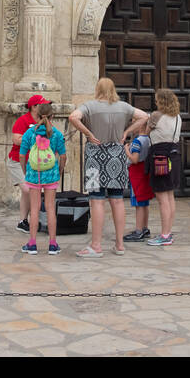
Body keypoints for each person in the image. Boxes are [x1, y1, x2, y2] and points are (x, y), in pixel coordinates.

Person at [68, 78, 147, 258]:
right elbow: (144, 116)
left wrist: (87, 133)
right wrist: (127, 132)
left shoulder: (90, 106)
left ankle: (96, 245)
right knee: (117, 200)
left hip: (95, 157)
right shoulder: (124, 107)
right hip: (117, 157)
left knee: (97, 200)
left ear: (97, 89)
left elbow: (73, 117)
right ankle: (119, 244)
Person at [17, 103, 67, 255]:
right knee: (51, 208)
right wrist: (59, 169)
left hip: (34, 174)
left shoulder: (30, 133)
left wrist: (26, 171)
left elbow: (21, 155)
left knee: (34, 208)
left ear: (36, 116)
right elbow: (63, 156)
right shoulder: (57, 134)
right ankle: (52, 244)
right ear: (52, 116)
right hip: (51, 174)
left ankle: (32, 244)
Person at [143, 87, 183, 247]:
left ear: (162, 101)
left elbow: (146, 133)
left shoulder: (156, 115)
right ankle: (168, 231)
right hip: (174, 156)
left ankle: (165, 235)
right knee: (169, 196)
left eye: (157, 99)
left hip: (159, 156)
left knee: (162, 199)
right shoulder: (178, 117)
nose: (155, 102)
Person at [7, 94, 49, 232]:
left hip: (36, 161)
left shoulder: (45, 120)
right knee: (27, 189)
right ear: (34, 107)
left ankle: (24, 221)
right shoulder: (23, 120)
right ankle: (34, 219)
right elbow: (16, 139)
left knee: (30, 191)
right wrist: (33, 140)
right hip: (18, 161)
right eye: (42, 105)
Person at [123, 119, 154, 242]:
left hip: (137, 173)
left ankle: (138, 231)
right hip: (145, 172)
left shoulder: (137, 142)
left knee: (138, 203)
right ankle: (145, 228)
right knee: (144, 202)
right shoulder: (148, 139)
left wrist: (126, 150)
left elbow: (134, 159)